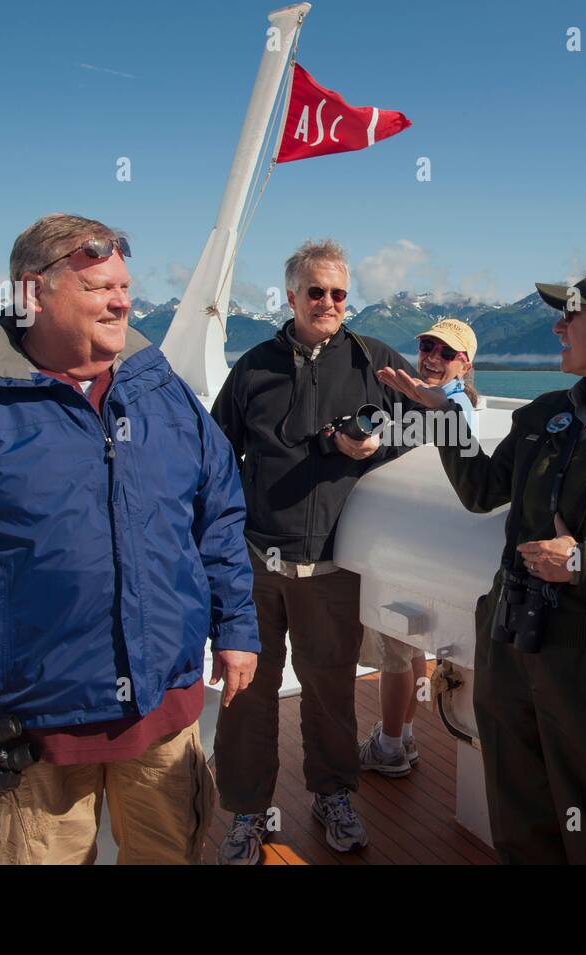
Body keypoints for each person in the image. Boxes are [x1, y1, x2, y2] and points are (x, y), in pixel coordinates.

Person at [0, 214, 259, 865]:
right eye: (99, 286)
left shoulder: (166, 396)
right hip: (33, 733)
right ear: (32, 293)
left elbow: (219, 519)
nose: (122, 300)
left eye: (125, 284)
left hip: (163, 714)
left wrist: (235, 626)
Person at [379, 265, 586, 864]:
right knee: (519, 818)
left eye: (572, 315)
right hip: (512, 640)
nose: (559, 327)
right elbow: (482, 490)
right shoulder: (542, 415)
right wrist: (443, 416)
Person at [210, 239, 421, 863]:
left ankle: (333, 795)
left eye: (338, 294)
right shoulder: (253, 368)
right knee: (246, 691)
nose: (328, 303)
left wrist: (372, 449)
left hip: (332, 564)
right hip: (255, 562)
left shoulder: (375, 360)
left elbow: (422, 428)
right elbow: (218, 457)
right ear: (291, 297)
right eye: (316, 292)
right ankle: (247, 812)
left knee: (329, 690)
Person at [358, 319, 480, 776]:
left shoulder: (447, 409)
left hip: (401, 547)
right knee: (413, 650)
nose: (431, 356)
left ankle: (389, 746)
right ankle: (403, 737)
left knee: (395, 653)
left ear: (464, 364)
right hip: (426, 547)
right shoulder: (454, 405)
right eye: (427, 346)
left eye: (445, 353)